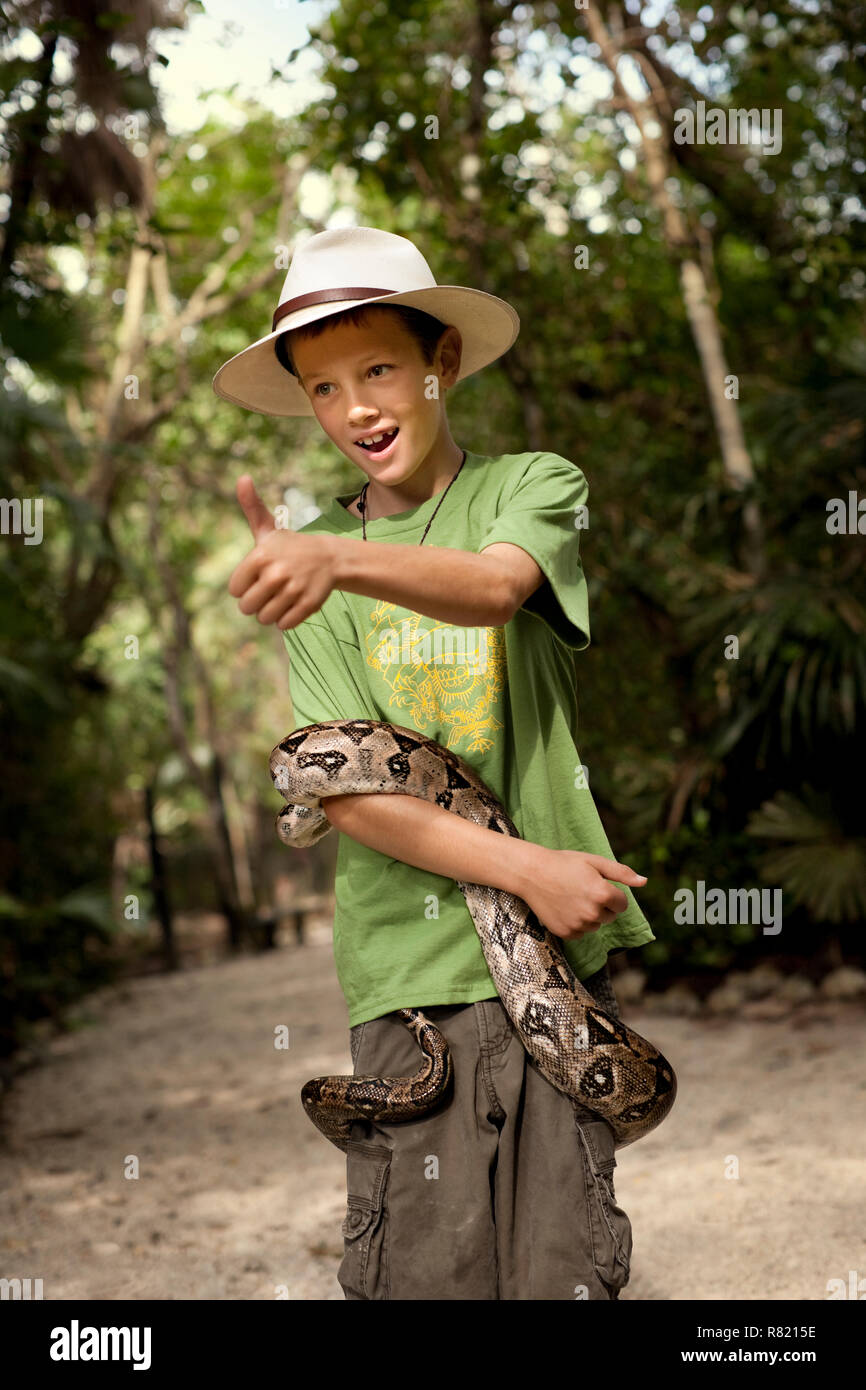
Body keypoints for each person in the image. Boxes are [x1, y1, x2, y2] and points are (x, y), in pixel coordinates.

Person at [214, 226, 656, 1300]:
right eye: (323, 388)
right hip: (405, 981)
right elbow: (351, 793)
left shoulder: (529, 486)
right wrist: (524, 868)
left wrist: (338, 561)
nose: (355, 407)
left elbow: (494, 585)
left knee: (563, 1269)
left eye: (377, 370)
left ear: (438, 364)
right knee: (424, 1272)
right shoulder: (305, 567)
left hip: (554, 970)